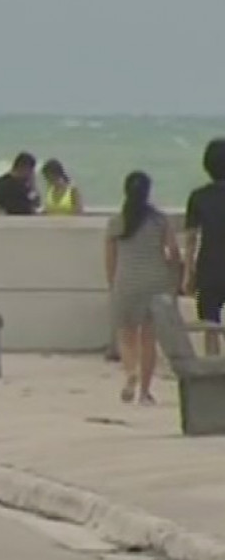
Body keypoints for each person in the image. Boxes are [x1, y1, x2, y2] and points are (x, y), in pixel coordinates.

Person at [107, 172, 182, 405]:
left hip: (127, 280)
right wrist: (175, 279)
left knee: (125, 333)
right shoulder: (160, 221)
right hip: (155, 281)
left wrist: (113, 284)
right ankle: (145, 393)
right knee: (148, 338)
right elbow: (173, 253)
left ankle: (131, 372)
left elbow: (110, 258)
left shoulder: (117, 221)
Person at [183, 137, 225, 357]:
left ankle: (215, 371)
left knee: (210, 326)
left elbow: (190, 240)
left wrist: (188, 274)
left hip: (208, 267)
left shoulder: (198, 197)